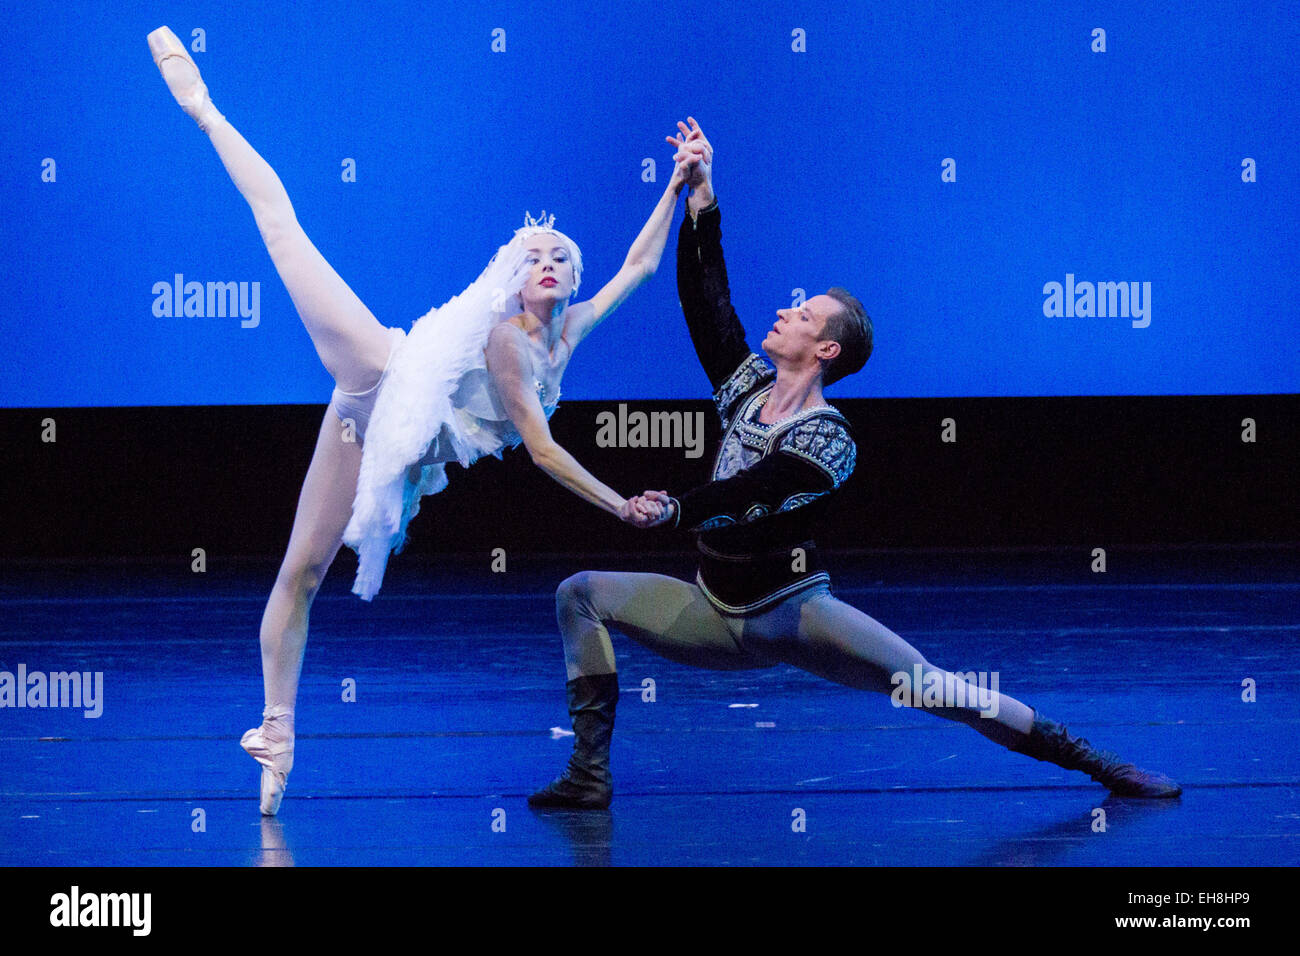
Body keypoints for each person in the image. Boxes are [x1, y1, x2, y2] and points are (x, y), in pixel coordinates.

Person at [529, 117, 1182, 809]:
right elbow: (706, 303)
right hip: (713, 609)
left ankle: (1098, 763)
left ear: (827, 350)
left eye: (804, 315)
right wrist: (702, 198)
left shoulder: (831, 439)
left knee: (939, 690)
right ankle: (589, 775)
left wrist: (675, 508)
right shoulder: (748, 387)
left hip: (794, 617)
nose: (784, 312)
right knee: (579, 594)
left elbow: (754, 492)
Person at [146, 27, 675, 815]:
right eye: (539, 256)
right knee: (282, 226)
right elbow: (541, 450)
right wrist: (619, 504)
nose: (553, 265)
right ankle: (205, 110)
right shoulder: (503, 342)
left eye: (564, 259)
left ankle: (276, 730)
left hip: (373, 442)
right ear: (514, 276)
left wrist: (679, 183)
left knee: (303, 573)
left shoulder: (566, 337)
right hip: (381, 375)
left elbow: (639, 266)